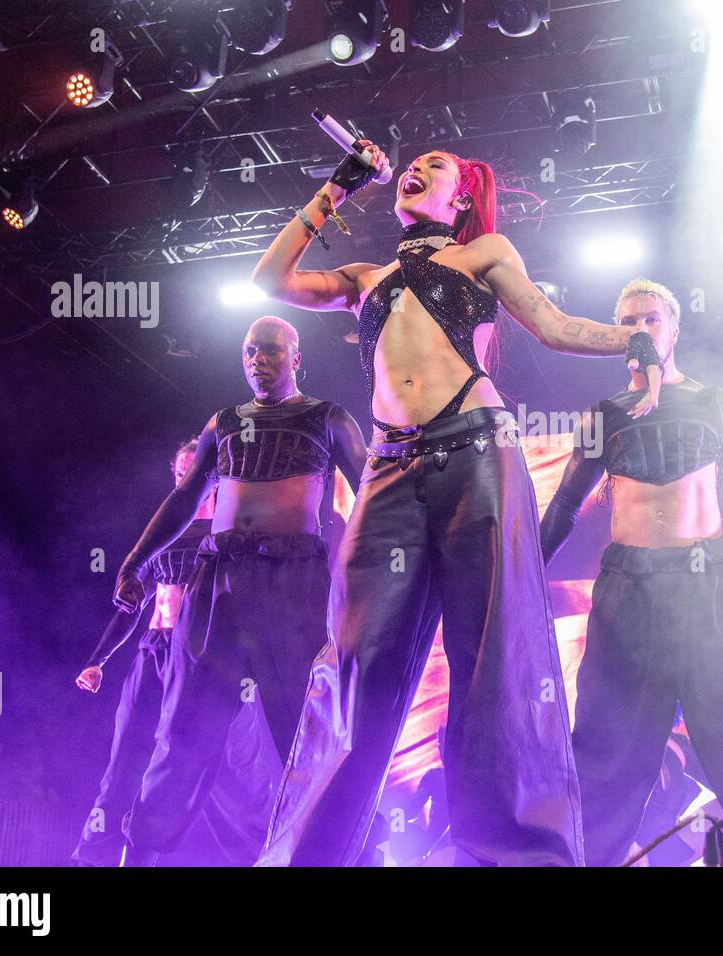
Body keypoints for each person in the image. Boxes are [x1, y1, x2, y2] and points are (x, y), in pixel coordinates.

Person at [249, 139, 663, 866]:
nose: (417, 167)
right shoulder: (364, 276)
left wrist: (636, 343)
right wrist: (337, 188)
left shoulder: (482, 253)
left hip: (476, 450)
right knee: (355, 665)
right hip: (387, 470)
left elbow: (557, 327)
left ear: (461, 198)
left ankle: (513, 857)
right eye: (413, 163)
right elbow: (269, 278)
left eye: (437, 166)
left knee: (492, 660)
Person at [539, 278, 723, 866]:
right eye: (629, 322)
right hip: (630, 590)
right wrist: (523, 578)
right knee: (605, 744)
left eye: (651, 319)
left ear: (674, 329)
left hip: (709, 587)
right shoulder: (604, 415)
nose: (640, 330)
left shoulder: (714, 403)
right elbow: (566, 505)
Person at [111, 316, 366, 866]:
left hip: (293, 586)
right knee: (182, 734)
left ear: (296, 357)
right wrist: (136, 561)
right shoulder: (223, 423)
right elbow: (183, 499)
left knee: (306, 735)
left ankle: (334, 858)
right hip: (217, 587)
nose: (258, 360)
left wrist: (375, 579)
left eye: (271, 350)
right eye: (250, 351)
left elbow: (372, 498)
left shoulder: (328, 418)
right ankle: (142, 856)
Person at [73, 439, 276, 866]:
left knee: (209, 769)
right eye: (179, 474)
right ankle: (93, 857)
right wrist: (98, 659)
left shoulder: (230, 533)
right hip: (156, 653)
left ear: (213, 479)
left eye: (193, 473)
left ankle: (260, 853)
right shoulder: (162, 539)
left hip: (205, 660)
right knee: (127, 755)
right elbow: (133, 603)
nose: (186, 480)